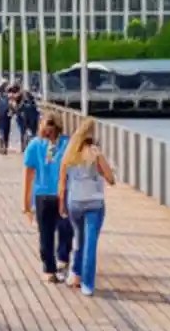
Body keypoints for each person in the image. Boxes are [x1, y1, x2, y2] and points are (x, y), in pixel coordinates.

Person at [58, 119, 117, 296]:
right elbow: (111, 179)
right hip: (94, 204)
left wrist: (62, 204)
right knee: (90, 244)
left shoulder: (68, 154)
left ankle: (75, 273)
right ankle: (87, 283)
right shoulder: (94, 153)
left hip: (74, 203)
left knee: (80, 239)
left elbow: (62, 185)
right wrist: (99, 160)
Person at [22, 114, 71, 283]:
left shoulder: (62, 144)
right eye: (45, 126)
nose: (46, 130)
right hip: (52, 195)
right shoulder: (40, 145)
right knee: (54, 233)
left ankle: (56, 263)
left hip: (53, 195)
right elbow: (29, 174)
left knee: (56, 232)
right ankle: (55, 265)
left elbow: (28, 175)